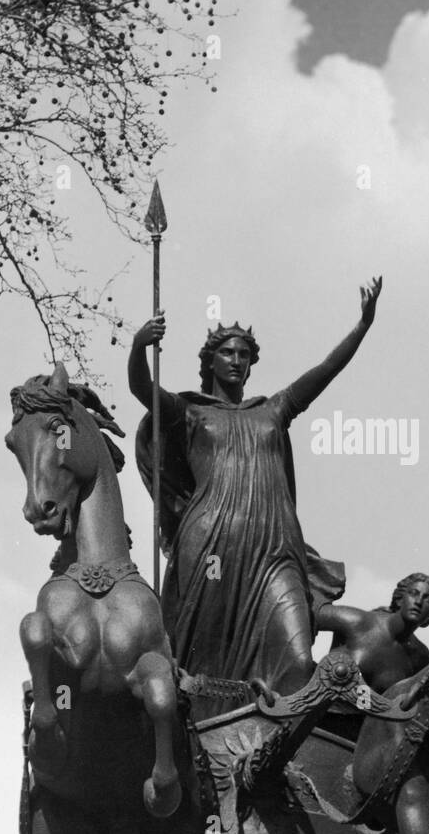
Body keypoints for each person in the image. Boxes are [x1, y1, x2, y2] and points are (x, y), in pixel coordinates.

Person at [128, 279, 382, 715]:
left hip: (274, 546)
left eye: (244, 355)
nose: (236, 361)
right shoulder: (190, 412)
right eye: (228, 352)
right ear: (210, 361)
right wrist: (137, 347)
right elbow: (141, 390)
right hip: (211, 544)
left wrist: (362, 326)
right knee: (198, 660)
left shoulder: (274, 410)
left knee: (299, 659)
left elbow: (323, 371)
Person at [316, 573, 429, 694]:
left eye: (428, 599)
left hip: (364, 718)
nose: (418, 602)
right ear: (400, 599)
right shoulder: (356, 621)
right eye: (414, 593)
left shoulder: (420, 656)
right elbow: (306, 613)